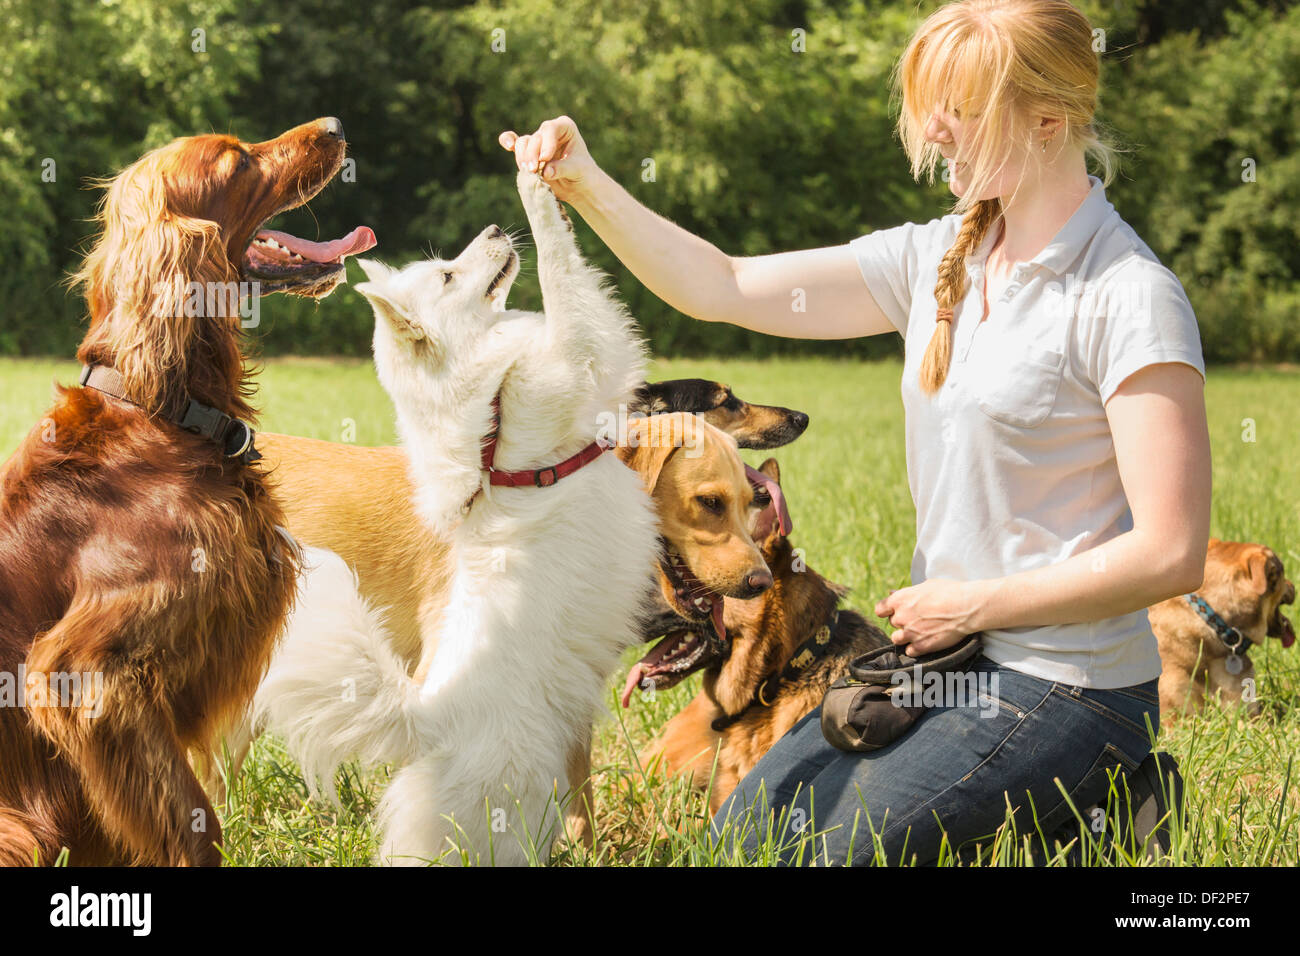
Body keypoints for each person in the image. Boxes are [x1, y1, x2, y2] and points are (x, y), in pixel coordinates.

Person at [500, 0, 1210, 865]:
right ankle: (1082, 819)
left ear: (1049, 121)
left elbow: (1171, 553)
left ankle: (1107, 780)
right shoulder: (936, 259)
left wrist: (978, 602)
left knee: (815, 859)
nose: (935, 131)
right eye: (929, 106)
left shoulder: (1129, 295)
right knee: (742, 842)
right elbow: (724, 283)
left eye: (960, 108)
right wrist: (587, 182)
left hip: (1070, 683)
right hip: (950, 660)